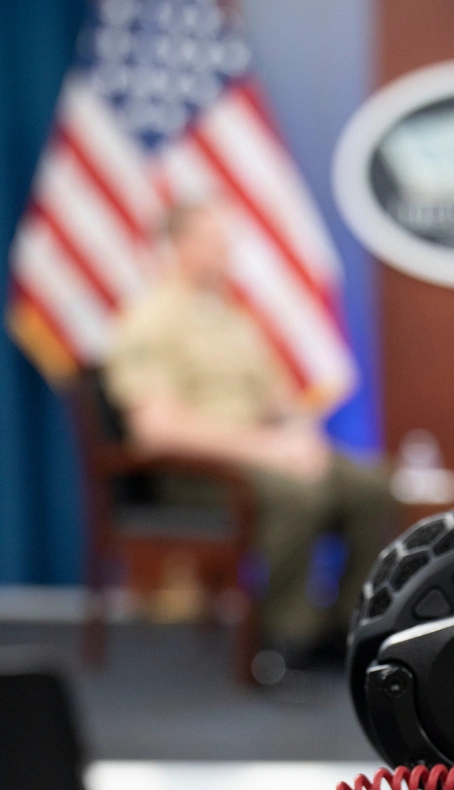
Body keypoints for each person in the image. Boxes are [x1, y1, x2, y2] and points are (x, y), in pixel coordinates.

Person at [104, 201, 394, 663]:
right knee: (299, 495)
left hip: (260, 454)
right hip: (198, 473)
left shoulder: (230, 318)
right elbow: (158, 431)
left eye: (225, 239)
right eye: (212, 239)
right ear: (178, 246)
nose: (225, 250)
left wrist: (302, 438)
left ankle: (342, 631)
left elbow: (278, 402)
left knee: (372, 486)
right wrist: (267, 449)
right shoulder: (150, 321)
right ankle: (282, 641)